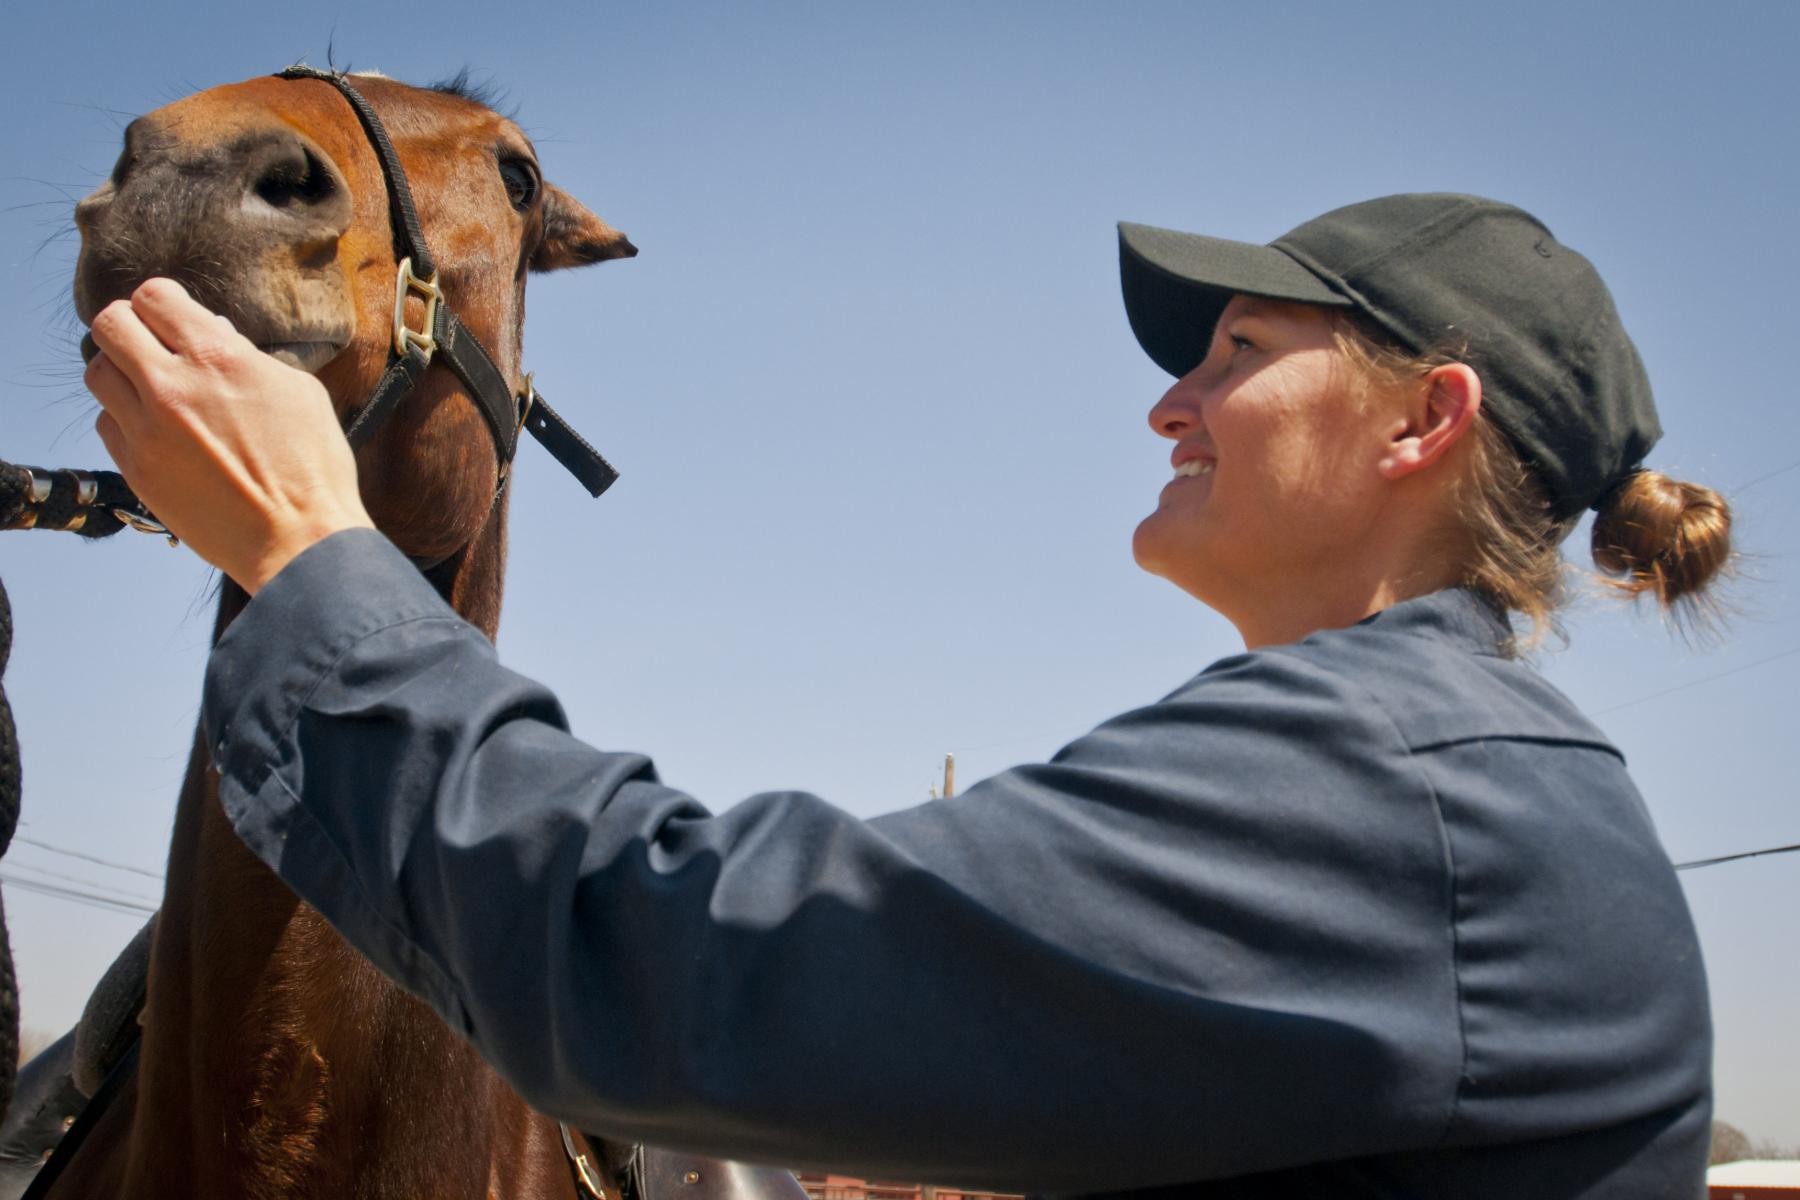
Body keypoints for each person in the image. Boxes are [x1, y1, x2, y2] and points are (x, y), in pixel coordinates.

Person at [83, 193, 1729, 1198]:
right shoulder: (1434, 770)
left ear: (1420, 424)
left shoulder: (1407, 793)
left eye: (1234, 349)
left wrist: (311, 558)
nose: (1174, 403)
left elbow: (681, 964)